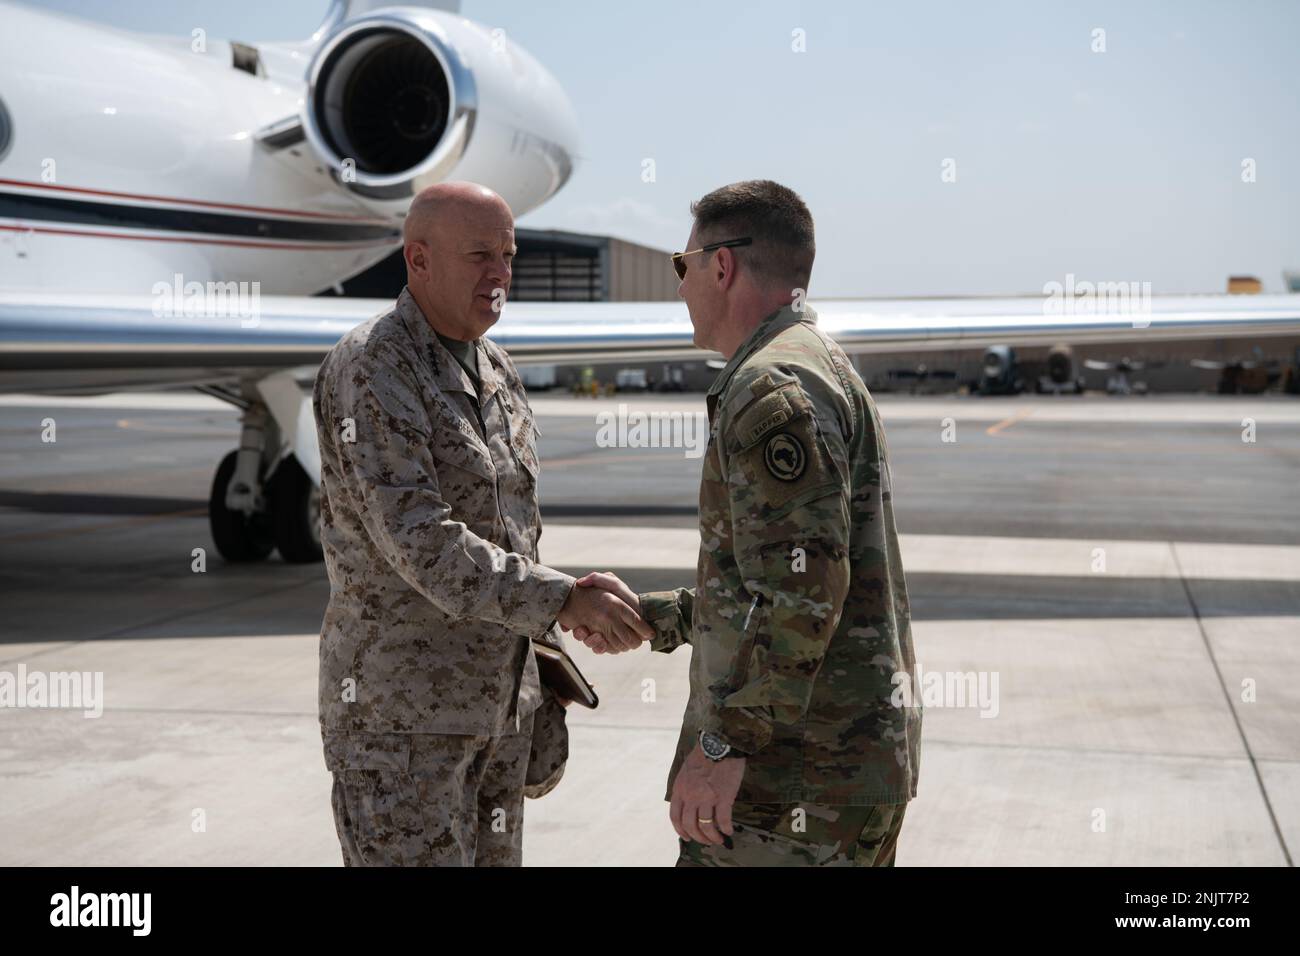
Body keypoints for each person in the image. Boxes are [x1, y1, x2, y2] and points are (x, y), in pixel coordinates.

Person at [575, 180, 922, 866]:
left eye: (684, 265)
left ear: (722, 266)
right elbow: (789, 576)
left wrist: (722, 746)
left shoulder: (769, 387)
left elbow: (803, 592)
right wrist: (665, 617)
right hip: (834, 768)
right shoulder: (819, 365)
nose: (680, 288)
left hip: (790, 783)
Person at [312, 181, 650, 867]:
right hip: (405, 731)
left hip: (498, 715)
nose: (499, 274)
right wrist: (561, 597)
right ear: (420, 259)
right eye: (479, 256)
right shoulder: (374, 367)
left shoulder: (497, 368)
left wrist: (551, 647)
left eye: (508, 255)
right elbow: (423, 543)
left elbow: (514, 535)